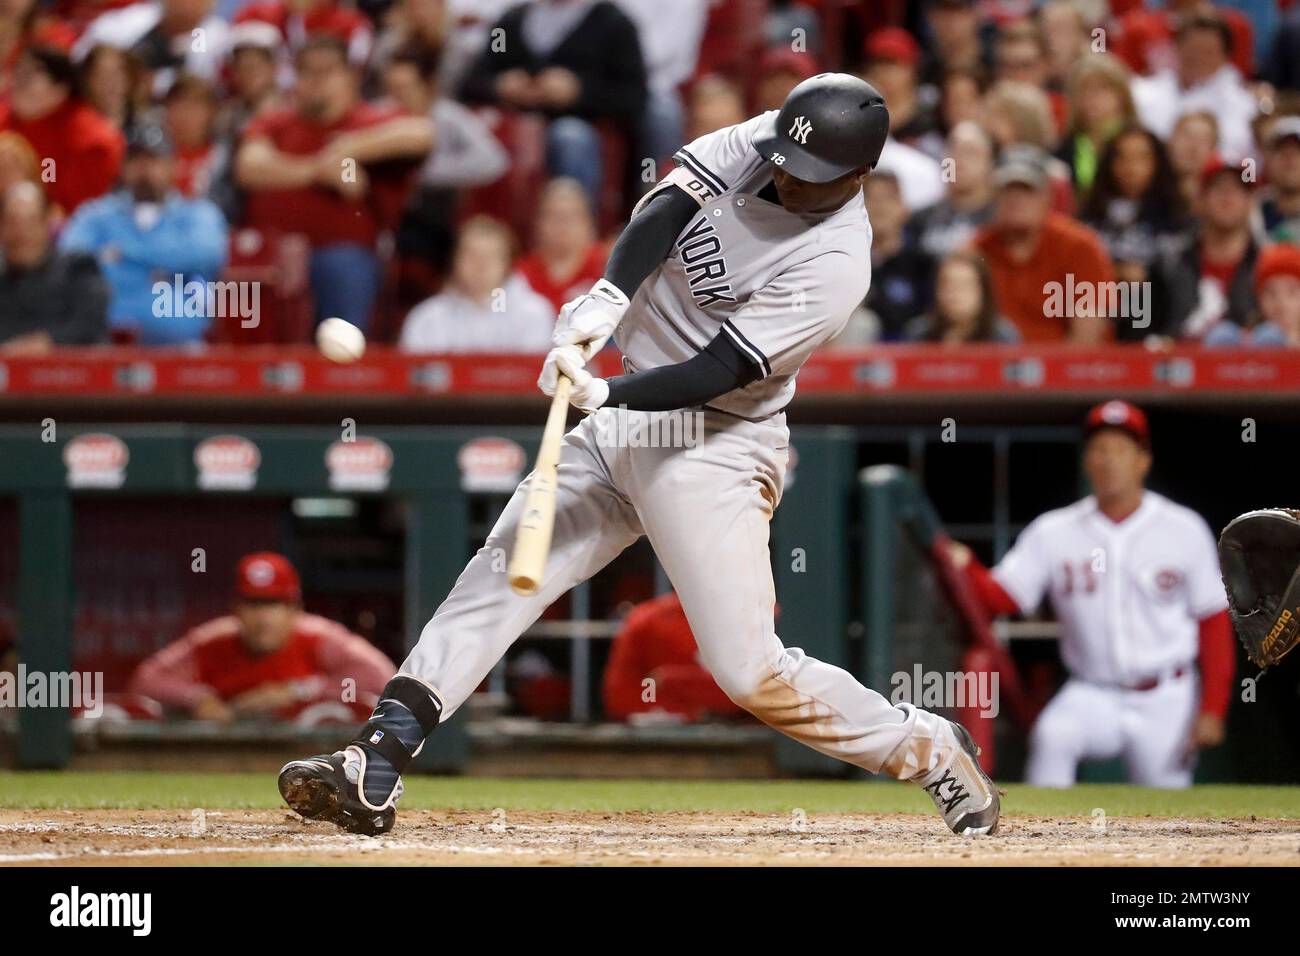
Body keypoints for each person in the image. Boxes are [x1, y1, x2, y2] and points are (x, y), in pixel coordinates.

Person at [279, 73, 1000, 838]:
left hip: (715, 443)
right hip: (623, 412)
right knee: (503, 567)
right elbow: (669, 206)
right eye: (785, 157)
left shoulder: (837, 261)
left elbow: (721, 369)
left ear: (858, 177)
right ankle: (381, 753)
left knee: (749, 670)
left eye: (811, 175)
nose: (787, 176)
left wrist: (608, 396)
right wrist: (607, 298)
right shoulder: (769, 137)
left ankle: (926, 748)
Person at [948, 401, 1234, 788]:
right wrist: (964, 565)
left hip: (1166, 693)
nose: (1108, 459)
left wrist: (1212, 708)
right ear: (1087, 460)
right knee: (1054, 737)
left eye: (1120, 449)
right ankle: (1037, 846)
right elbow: (1004, 597)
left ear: (1143, 461)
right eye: (1099, 449)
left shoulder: (1183, 528)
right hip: (1091, 691)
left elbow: (1213, 622)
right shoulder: (1055, 530)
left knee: (1168, 806)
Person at [235, 34, 432, 331]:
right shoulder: (276, 121)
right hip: (271, 254)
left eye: (327, 71)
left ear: (350, 78)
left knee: (343, 270)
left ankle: (344, 374)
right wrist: (318, 170)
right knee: (247, 281)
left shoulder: (369, 119)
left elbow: (421, 133)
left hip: (343, 253)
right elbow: (249, 166)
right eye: (307, 71)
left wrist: (349, 148)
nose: (316, 81)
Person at [130, 552, 396, 723]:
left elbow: (383, 679)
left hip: (308, 755)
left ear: (294, 610)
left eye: (273, 604)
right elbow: (145, 680)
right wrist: (198, 698)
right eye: (253, 604)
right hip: (229, 757)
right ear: (236, 609)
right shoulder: (214, 640)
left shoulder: (319, 638)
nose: (263, 617)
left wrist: (298, 691)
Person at [457, 0, 647, 205]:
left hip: (581, 124)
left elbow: (633, 96)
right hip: (514, 126)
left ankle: (575, 226)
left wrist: (579, 92)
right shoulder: (510, 21)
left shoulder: (613, 23)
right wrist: (499, 86)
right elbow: (471, 83)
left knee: (571, 136)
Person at [59, 122, 228, 345]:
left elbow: (206, 254)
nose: (144, 169)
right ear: (123, 167)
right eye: (136, 160)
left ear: (172, 166)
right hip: (102, 343)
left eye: (154, 159)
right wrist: (163, 266)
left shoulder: (197, 213)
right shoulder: (97, 214)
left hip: (182, 345)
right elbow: (70, 254)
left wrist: (121, 253)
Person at [973, 144, 1115, 342]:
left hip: (1064, 367)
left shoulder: (1080, 246)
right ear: (994, 198)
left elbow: (1087, 336)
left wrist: (1058, 371)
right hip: (992, 366)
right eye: (1008, 191)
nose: (1016, 200)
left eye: (1026, 190)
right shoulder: (977, 250)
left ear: (1047, 196)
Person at [399, 215, 555, 353]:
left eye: (491, 256)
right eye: (471, 255)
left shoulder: (533, 314)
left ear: (508, 264)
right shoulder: (426, 318)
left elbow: (533, 378)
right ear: (455, 260)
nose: (481, 265)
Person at [0, 45, 124, 213]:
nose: (16, 82)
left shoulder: (92, 141)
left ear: (60, 90)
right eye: (16, 72)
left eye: (28, 77)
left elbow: (81, 210)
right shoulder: (5, 119)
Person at [1149, 156, 1260, 340]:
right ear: (1200, 200)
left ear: (1250, 201)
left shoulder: (1268, 265)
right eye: (1218, 188)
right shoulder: (1167, 264)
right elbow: (1142, 337)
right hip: (1178, 364)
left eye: (1238, 189)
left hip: (1250, 366)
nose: (1228, 196)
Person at [1079, 125, 1190, 298]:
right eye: (1121, 157)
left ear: (1158, 163)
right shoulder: (1088, 218)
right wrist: (1118, 272)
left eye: (1141, 158)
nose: (1130, 167)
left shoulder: (1177, 219)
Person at [1131, 12, 1256, 162]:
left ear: (1225, 57)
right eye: (1192, 49)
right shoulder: (1141, 92)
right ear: (1176, 46)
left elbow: (1238, 154)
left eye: (1208, 52)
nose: (1198, 58)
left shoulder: (1241, 104)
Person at [603, 590, 745, 722]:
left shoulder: (750, 619)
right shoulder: (646, 621)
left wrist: (671, 679)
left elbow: (752, 690)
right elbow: (621, 696)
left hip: (745, 727)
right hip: (664, 734)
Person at [0, 181, 109, 353]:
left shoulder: (78, 269)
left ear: (47, 224)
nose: (21, 233)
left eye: (31, 222)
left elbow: (89, 324)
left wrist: (40, 344)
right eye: (13, 222)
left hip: (70, 374)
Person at [515, 178, 606, 314]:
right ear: (538, 223)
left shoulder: (607, 266)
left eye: (571, 216)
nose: (563, 225)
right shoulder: (521, 276)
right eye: (554, 216)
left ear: (588, 223)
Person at [906, 120, 994, 260]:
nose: (959, 159)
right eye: (953, 149)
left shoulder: (998, 219)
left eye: (970, 152)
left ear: (989, 162)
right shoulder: (919, 219)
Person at [861, 170, 931, 341]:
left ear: (904, 208)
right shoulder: (846, 263)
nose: (880, 207)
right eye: (872, 198)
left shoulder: (923, 264)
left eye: (888, 198)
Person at [903, 249, 1019, 345]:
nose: (954, 293)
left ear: (983, 292)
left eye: (964, 285)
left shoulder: (1003, 337)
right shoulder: (918, 334)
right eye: (947, 285)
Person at [1203, 243, 1300, 348]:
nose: (1281, 303)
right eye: (1271, 293)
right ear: (1259, 299)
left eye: (1291, 292)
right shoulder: (1242, 341)